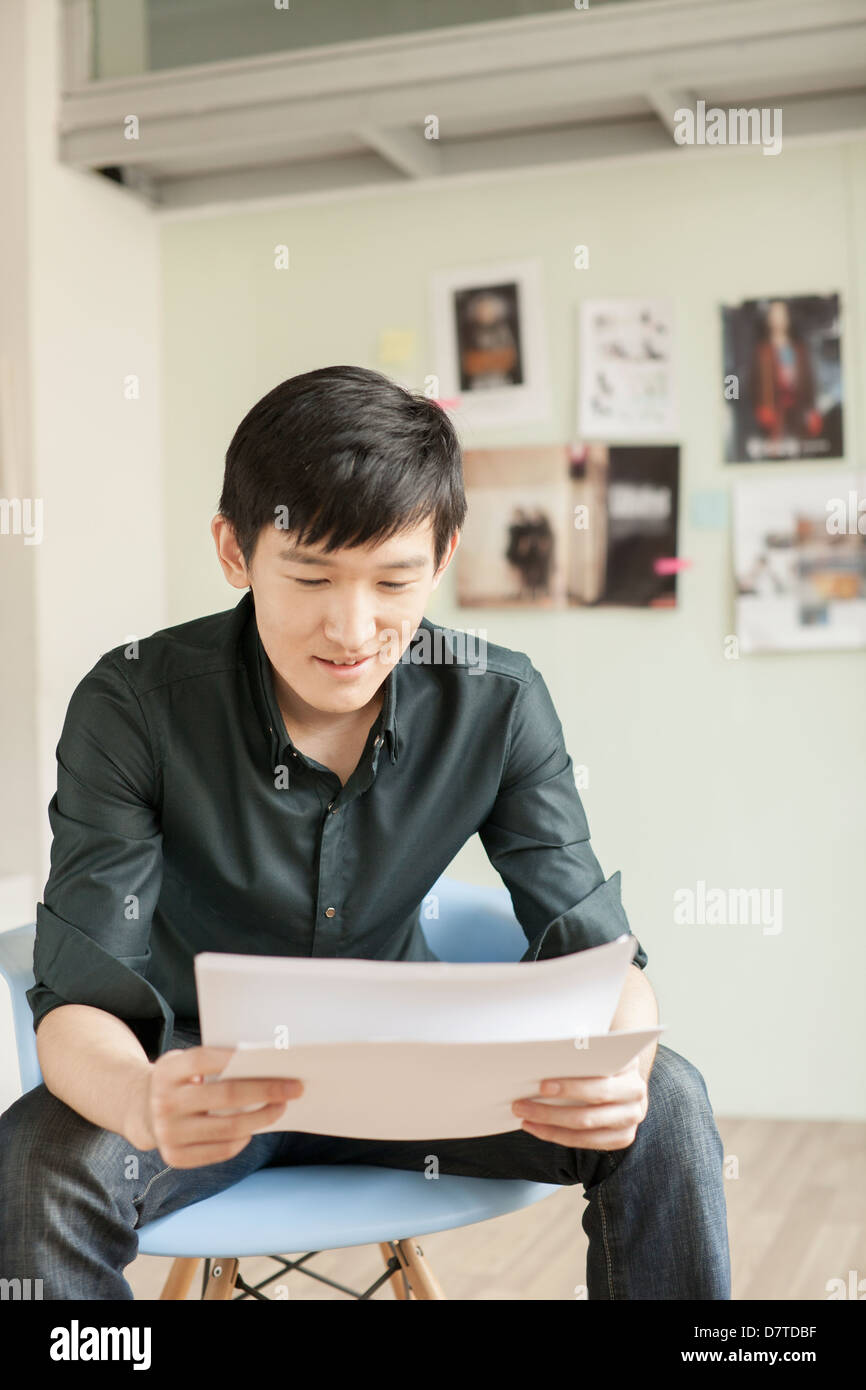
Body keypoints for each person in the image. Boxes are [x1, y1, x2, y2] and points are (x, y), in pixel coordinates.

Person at [0, 366, 730, 1300]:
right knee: (37, 1159)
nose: (353, 629)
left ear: (445, 553)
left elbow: (600, 957)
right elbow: (76, 999)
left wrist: (617, 1068)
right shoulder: (134, 704)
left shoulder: (496, 702)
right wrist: (145, 1099)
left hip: (422, 1080)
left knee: (667, 1099)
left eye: (394, 580)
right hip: (200, 1080)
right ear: (234, 549)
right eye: (309, 576)